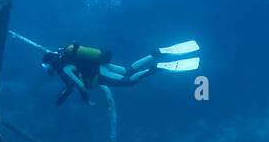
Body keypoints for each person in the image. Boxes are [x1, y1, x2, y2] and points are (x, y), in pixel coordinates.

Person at [40, 40, 200, 105]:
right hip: (101, 65)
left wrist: (86, 99)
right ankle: (156, 53)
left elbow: (80, 85)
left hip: (99, 74)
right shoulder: (66, 57)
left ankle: (156, 68)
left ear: (50, 64)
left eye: (47, 68)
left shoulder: (64, 68)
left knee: (129, 81)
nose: (49, 71)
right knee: (129, 70)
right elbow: (70, 85)